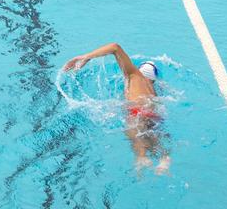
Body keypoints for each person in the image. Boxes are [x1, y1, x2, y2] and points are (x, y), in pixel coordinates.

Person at [63, 43, 169, 173]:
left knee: (137, 142)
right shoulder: (152, 90)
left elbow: (115, 47)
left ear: (139, 70)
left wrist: (86, 57)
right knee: (154, 138)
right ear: (153, 79)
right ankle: (164, 159)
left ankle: (142, 158)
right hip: (154, 115)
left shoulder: (133, 74)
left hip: (136, 112)